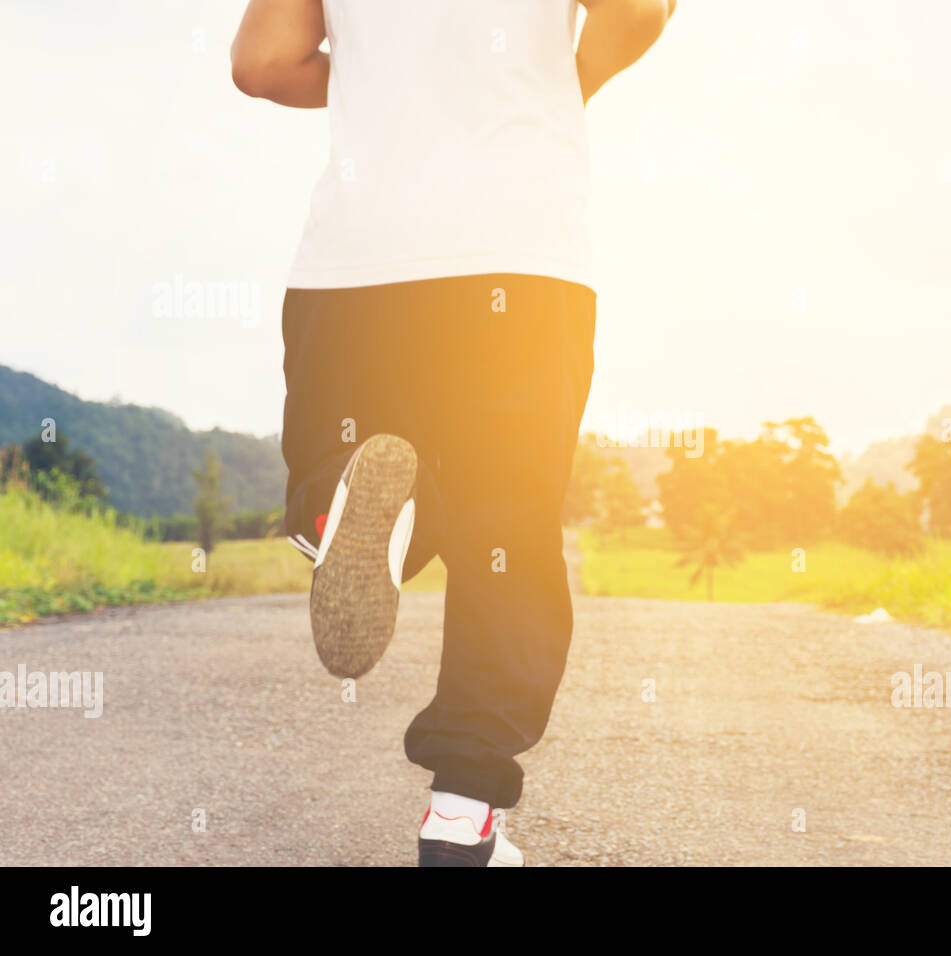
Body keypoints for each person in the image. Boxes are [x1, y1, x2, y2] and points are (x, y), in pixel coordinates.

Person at [231, 0, 674, 867]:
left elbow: (262, 62)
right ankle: (460, 819)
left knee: (348, 463)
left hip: (358, 258)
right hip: (518, 250)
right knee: (504, 526)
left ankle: (342, 514)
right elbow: (637, 8)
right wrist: (557, 86)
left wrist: (382, 86)